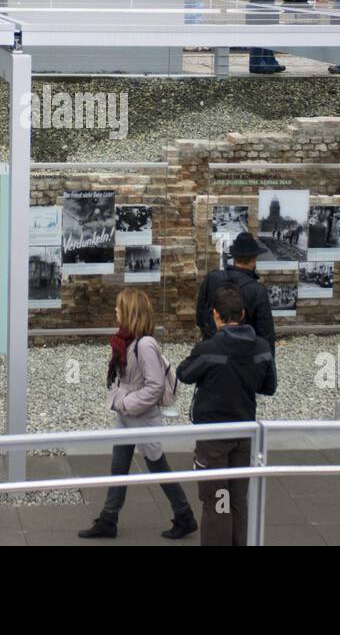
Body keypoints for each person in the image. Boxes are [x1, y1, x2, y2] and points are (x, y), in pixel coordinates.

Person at [77, 289, 198, 541]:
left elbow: (154, 386)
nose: (115, 311)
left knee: (157, 465)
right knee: (119, 465)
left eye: (119, 307)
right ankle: (109, 519)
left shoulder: (144, 345)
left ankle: (185, 515)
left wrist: (128, 403)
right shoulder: (127, 341)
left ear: (130, 312)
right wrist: (124, 403)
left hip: (140, 415)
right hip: (127, 412)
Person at [177, 284, 278, 546]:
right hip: (244, 433)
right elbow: (269, 386)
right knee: (238, 499)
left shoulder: (209, 349)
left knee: (216, 501)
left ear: (215, 315)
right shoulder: (261, 347)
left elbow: (183, 374)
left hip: (213, 437)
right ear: (242, 313)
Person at [194, 231, 274, 350]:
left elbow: (201, 318)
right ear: (254, 259)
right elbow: (266, 334)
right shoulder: (258, 291)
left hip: (214, 350)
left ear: (235, 257)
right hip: (244, 356)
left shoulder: (211, 278)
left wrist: (210, 342)